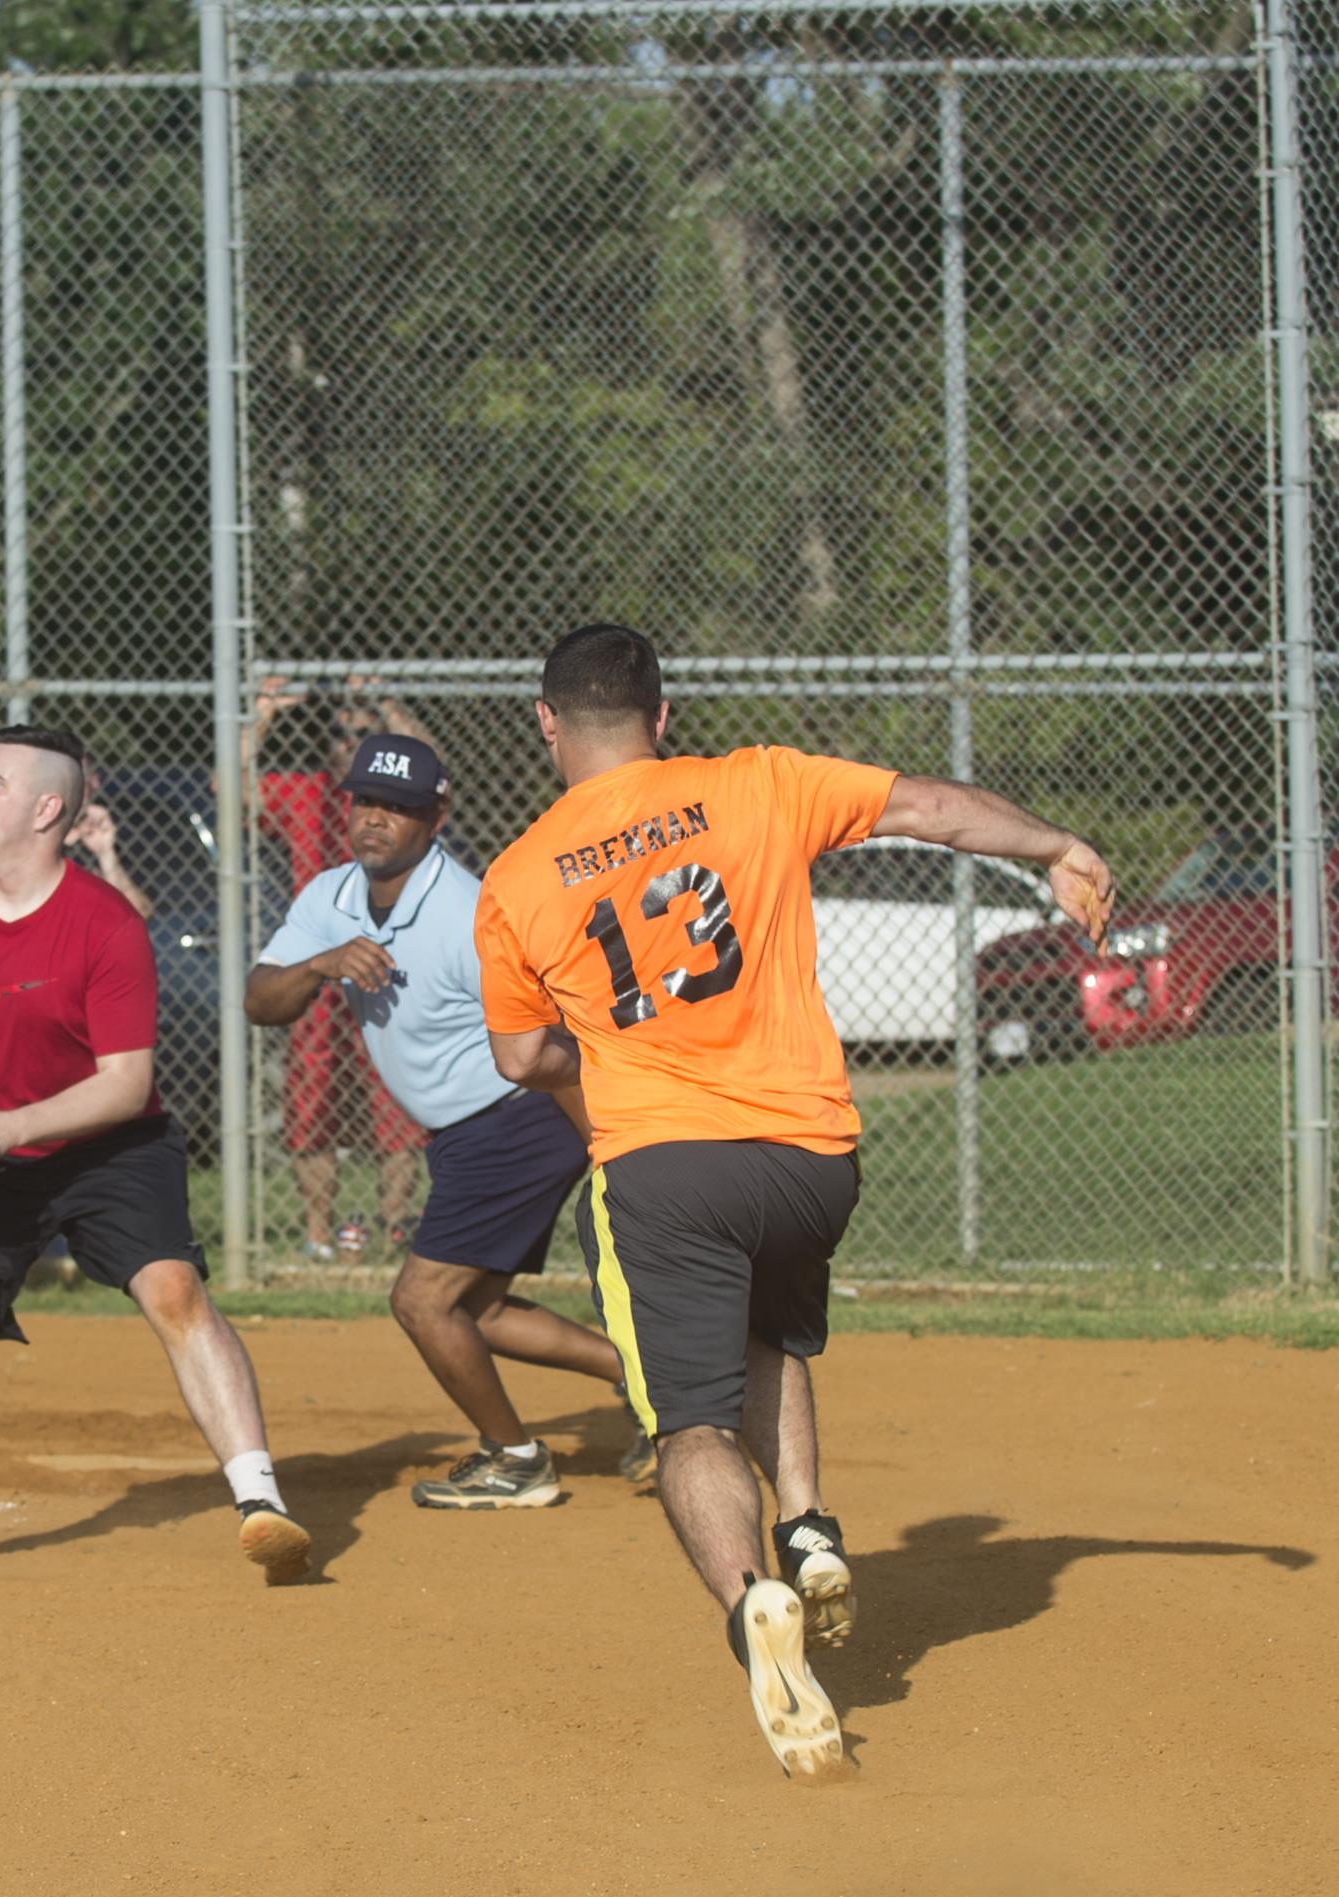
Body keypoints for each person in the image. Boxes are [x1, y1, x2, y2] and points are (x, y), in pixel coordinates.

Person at [474, 623, 1114, 1780]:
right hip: (810, 1158)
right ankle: (807, 1522)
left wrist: (612, 1056)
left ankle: (748, 1594)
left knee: (691, 1425)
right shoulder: (758, 783)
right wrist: (1056, 846)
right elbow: (927, 807)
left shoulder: (518, 876)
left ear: (546, 724)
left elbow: (522, 1059)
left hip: (664, 1166)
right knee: (767, 1330)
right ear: (663, 718)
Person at [0, 726, 312, 1588]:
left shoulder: (105, 919)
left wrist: (2, 1128)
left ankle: (259, 1500)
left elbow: (125, 1084)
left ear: (46, 808)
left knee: (172, 1287)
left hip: (105, 1146)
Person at [247, 731, 652, 1511]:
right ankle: (651, 1384)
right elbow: (261, 1001)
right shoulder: (328, 898)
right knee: (477, 1311)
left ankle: (514, 1458)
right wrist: (317, 964)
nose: (374, 818)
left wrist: (613, 1147)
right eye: (365, 799)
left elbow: (556, 1036)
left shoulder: (468, 912)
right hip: (466, 1135)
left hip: (517, 1121)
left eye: (398, 807)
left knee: (422, 1301)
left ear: (436, 817)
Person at [249, 676, 426, 1258]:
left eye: (365, 733)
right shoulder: (308, 792)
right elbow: (236, 794)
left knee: (395, 1099)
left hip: (392, 960)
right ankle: (320, 1234)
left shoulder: (402, 803)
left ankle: (393, 1226)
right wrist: (264, 713)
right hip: (320, 964)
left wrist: (389, 704)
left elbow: (435, 770)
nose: (353, 743)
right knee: (311, 1098)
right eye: (344, 733)